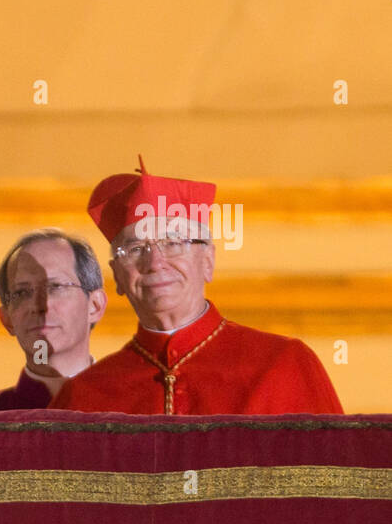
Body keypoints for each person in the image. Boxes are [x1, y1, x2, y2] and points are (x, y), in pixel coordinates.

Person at [50, 160, 343, 415]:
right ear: (117, 276)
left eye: (173, 243)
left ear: (208, 260)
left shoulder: (283, 366)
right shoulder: (82, 398)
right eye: (136, 248)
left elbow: (336, 475)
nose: (155, 263)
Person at [0, 229, 106, 412]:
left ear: (95, 305)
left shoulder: (140, 416)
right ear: (7, 319)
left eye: (56, 287)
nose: (40, 306)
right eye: (22, 293)